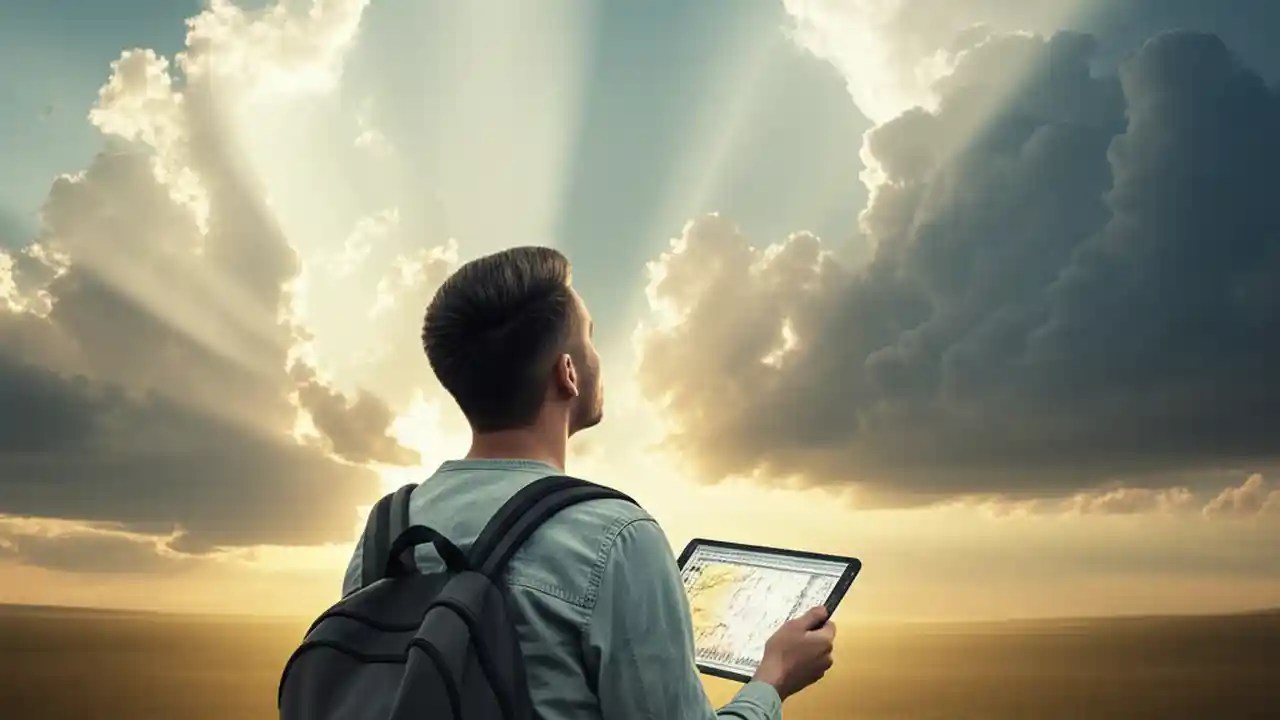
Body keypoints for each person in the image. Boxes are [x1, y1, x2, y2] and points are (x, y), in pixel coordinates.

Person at [340, 246, 836, 719]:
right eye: (591, 336)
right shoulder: (616, 539)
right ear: (568, 373)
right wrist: (772, 680)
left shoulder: (386, 528)